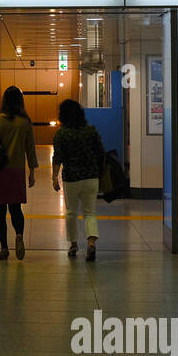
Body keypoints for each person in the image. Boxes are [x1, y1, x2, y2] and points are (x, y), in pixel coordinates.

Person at [0, 86, 37, 260]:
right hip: (17, 171)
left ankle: (4, 248)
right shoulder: (25, 122)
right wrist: (32, 172)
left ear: (4, 100)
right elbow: (30, 148)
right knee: (15, 208)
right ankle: (19, 235)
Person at [52, 98, 105, 262]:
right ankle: (91, 243)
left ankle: (74, 245)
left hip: (72, 178)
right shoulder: (90, 130)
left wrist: (54, 177)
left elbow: (58, 158)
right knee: (90, 212)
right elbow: (100, 151)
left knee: (71, 212)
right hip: (91, 176)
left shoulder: (61, 133)